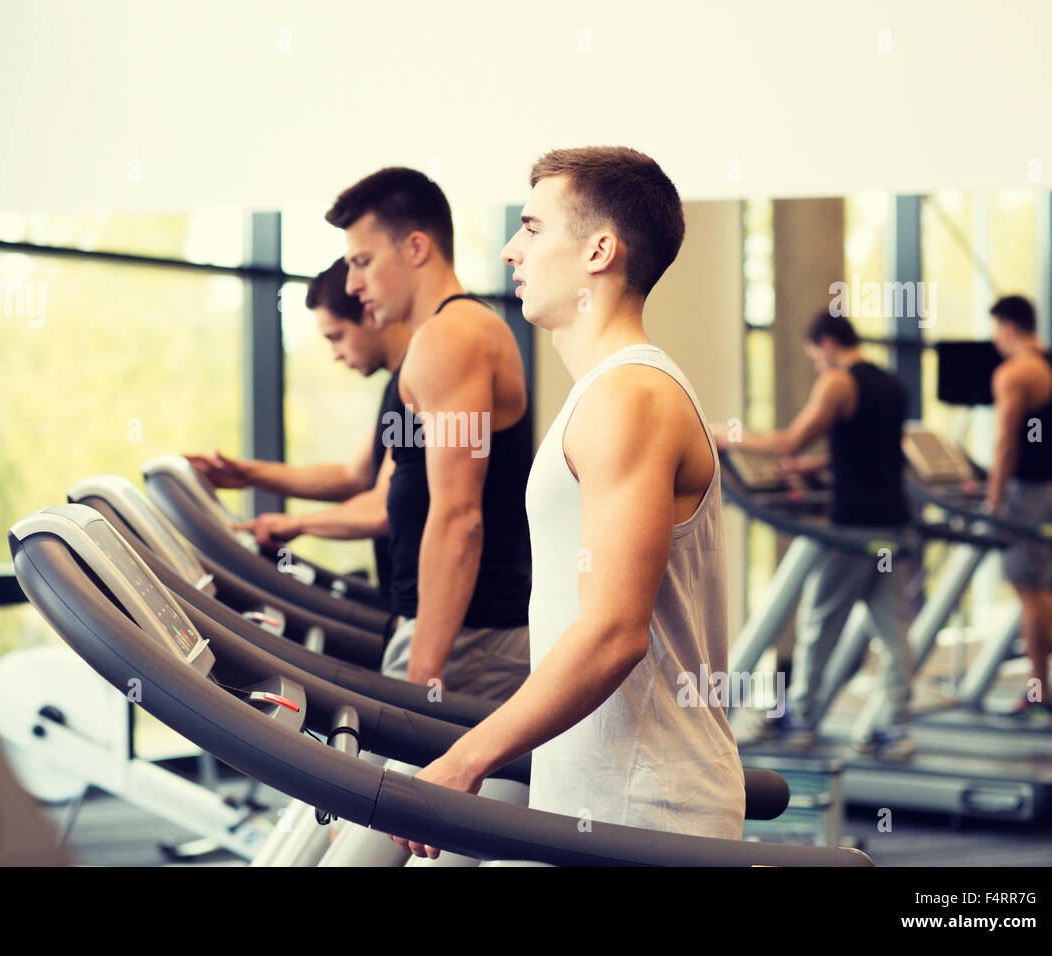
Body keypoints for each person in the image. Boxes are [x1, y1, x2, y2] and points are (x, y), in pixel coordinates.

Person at [392, 145, 745, 859]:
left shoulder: (628, 396)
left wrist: (466, 759)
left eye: (531, 227)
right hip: (601, 799)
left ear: (599, 251)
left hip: (645, 809)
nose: (510, 249)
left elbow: (614, 630)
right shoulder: (605, 394)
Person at [327, 167, 534, 701]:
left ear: (416, 247)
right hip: (452, 633)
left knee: (387, 787)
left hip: (467, 640)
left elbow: (460, 518)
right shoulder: (442, 339)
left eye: (363, 262)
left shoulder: (452, 336)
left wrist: (424, 676)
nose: (352, 285)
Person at [714, 310, 916, 760]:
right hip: (894, 524)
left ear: (826, 342)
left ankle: (801, 718)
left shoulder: (838, 382)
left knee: (820, 621)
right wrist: (817, 467)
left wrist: (726, 436)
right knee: (893, 629)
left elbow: (788, 441)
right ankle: (896, 727)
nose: (818, 367)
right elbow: (874, 451)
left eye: (815, 358)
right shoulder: (891, 385)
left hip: (852, 526)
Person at [185, 257, 411, 598]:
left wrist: (295, 524)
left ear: (369, 311)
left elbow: (384, 505)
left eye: (337, 336)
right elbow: (354, 477)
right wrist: (249, 474)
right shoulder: (398, 385)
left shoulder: (418, 381)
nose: (335, 354)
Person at [987, 294, 1052, 720]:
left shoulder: (1014, 372)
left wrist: (993, 498)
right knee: (1031, 588)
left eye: (995, 331)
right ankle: (1039, 690)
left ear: (1007, 327)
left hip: (1030, 493)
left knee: (1031, 587)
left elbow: (1009, 441)